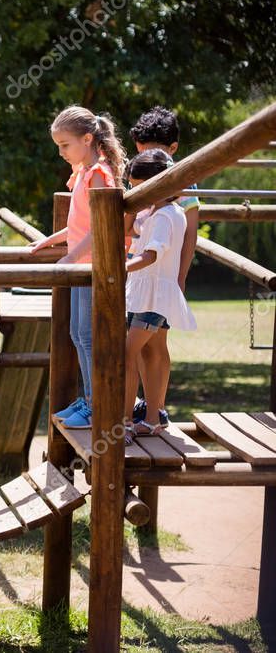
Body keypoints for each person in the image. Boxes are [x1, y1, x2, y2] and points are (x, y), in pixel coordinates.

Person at [30, 106, 127, 428]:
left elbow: (103, 225)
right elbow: (80, 226)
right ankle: (89, 399)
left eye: (65, 145)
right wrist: (51, 241)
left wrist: (72, 257)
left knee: (87, 336)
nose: (60, 152)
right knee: (77, 333)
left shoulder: (99, 174)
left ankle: (97, 404)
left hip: (92, 267)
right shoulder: (84, 172)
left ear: (87, 139)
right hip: (81, 264)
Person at [128, 106, 198, 426]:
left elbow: (189, 236)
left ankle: (156, 407)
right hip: (143, 279)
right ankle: (146, 407)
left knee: (154, 343)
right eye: (142, 151)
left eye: (153, 151)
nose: (146, 155)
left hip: (162, 277)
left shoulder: (182, 188)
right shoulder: (144, 175)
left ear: (172, 150)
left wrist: (180, 279)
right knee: (142, 346)